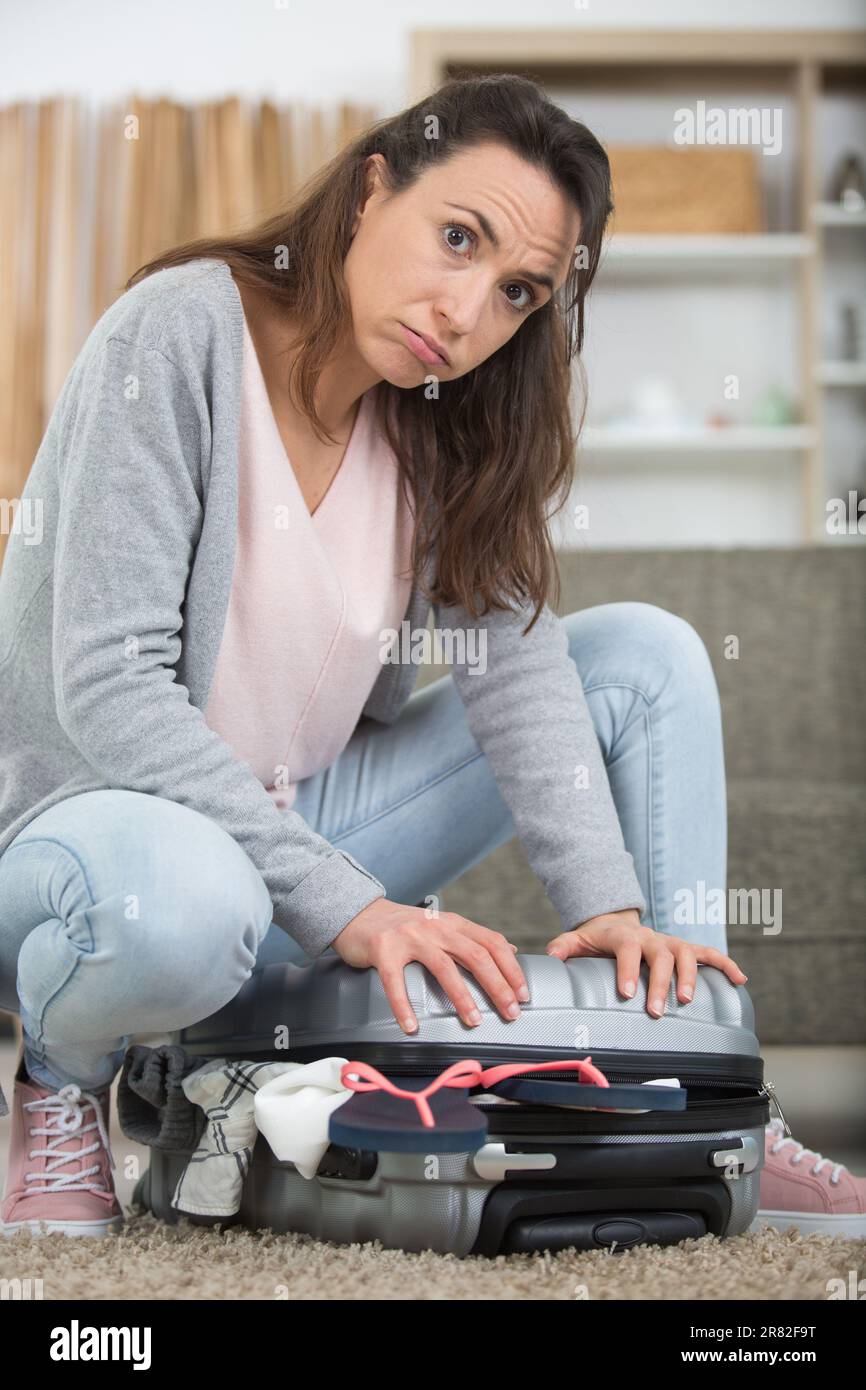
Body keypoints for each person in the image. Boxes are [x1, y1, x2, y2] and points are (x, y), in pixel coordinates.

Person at [1, 74, 861, 1241]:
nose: (465, 309)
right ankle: (54, 1081)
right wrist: (352, 906)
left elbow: (517, 674)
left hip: (292, 853)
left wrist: (605, 901)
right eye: (454, 237)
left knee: (644, 656)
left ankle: (709, 1089)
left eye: (516, 290)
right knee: (181, 900)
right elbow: (108, 684)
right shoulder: (179, 333)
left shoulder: (445, 418)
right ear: (369, 192)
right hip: (102, 852)